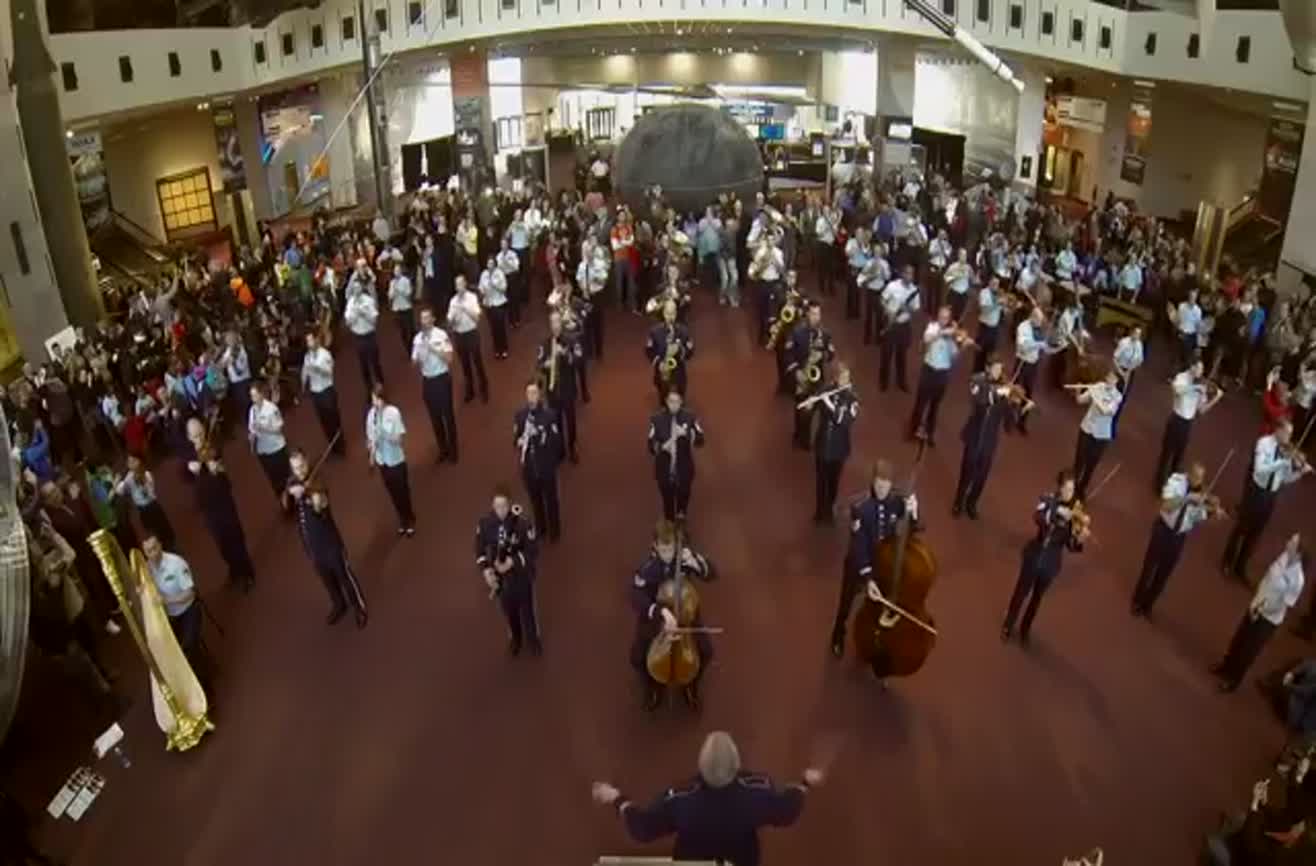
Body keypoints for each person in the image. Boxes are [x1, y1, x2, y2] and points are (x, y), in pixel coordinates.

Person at [591, 731, 821, 866]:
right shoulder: (757, 792)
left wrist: (617, 798)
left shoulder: (680, 799)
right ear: (737, 765)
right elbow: (787, 811)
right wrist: (804, 783)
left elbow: (642, 829)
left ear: (701, 766)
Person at [629, 519, 716, 710]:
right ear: (655, 546)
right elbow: (636, 595)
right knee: (636, 657)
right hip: (658, 619)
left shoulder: (685, 559)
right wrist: (660, 612)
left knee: (706, 652)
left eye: (671, 549)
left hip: (686, 615)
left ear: (677, 544)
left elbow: (711, 574)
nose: (668, 556)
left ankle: (690, 684)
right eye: (664, 550)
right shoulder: (648, 568)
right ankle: (653, 687)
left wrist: (696, 562)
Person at [830, 460, 913, 657]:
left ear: (891, 485)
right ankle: (838, 634)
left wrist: (914, 509)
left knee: (877, 607)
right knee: (846, 603)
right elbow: (859, 545)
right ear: (873, 482)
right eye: (878, 484)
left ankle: (871, 641)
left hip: (882, 566)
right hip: (858, 565)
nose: (881, 489)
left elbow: (917, 526)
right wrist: (867, 579)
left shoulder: (896, 503)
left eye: (885, 485)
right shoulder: (861, 508)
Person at [1000, 470, 1089, 645]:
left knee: (1037, 598)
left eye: (1072, 490)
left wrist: (1080, 539)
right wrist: (1057, 514)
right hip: (1035, 556)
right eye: (1067, 489)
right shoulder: (1048, 500)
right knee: (1020, 593)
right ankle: (1008, 624)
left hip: (1051, 564)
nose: (1070, 494)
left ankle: (1025, 628)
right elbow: (1038, 517)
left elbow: (1071, 546)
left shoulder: (1075, 513)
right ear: (1060, 488)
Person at [1213, 534, 1306, 692]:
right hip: (1256, 604)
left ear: (1298, 553)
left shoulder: (1298, 579)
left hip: (1268, 619)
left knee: (1249, 650)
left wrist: (1262, 610)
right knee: (1239, 639)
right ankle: (1226, 666)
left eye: (1292, 542)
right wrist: (1256, 601)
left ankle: (1233, 680)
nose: (1288, 542)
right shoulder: (1283, 557)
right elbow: (1267, 578)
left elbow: (1284, 605)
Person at [1222, 421, 1311, 582]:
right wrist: (1283, 462)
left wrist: (1299, 473)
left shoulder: (1286, 453)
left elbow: (1284, 478)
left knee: (1255, 533)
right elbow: (1260, 469)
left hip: (1271, 496)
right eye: (1287, 433)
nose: (1289, 438)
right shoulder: (1263, 444)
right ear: (1278, 430)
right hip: (1256, 492)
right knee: (1241, 528)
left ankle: (1240, 566)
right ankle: (1227, 561)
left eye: (1290, 435)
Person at [1131, 462, 1218, 618]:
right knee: (1149, 568)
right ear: (1188, 474)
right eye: (1196, 477)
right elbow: (1166, 506)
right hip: (1163, 530)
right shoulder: (1176, 481)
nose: (1198, 482)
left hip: (1179, 537)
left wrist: (1212, 511)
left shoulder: (1201, 495)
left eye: (1201, 479)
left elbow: (1198, 518)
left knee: (1164, 574)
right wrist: (1187, 498)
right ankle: (1137, 601)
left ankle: (1148, 605)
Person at [287, 466, 368, 629]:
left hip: (331, 546)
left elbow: (321, 506)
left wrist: (314, 499)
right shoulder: (293, 484)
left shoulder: (318, 485)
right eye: (295, 467)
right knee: (327, 580)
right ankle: (339, 604)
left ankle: (359, 608)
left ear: (307, 464)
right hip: (313, 547)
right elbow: (286, 500)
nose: (299, 470)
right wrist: (292, 492)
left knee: (345, 578)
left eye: (301, 466)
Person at [475, 487, 541, 656]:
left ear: (509, 504)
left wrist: (512, 561)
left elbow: (532, 551)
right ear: (492, 505)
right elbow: (480, 550)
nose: (501, 510)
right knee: (509, 612)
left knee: (527, 611)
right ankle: (516, 639)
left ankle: (532, 639)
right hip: (502, 581)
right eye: (497, 506)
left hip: (521, 576)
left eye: (504, 506)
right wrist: (486, 571)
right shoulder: (485, 524)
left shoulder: (522, 523)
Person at [953, 357, 1018, 519]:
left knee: (982, 476)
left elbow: (1009, 426)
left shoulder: (1004, 390)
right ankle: (958, 501)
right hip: (974, 436)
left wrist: (1014, 405)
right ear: (988, 368)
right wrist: (997, 393)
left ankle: (972, 503)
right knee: (966, 472)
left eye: (1000, 370)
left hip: (989, 441)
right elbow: (979, 401)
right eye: (995, 369)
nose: (998, 373)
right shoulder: (977, 381)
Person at [142, 535, 210, 685]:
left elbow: (190, 593)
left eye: (154, 548)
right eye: (148, 551)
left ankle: (205, 686)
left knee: (188, 647)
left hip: (189, 610)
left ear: (160, 545)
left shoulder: (176, 563)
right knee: (167, 651)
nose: (152, 554)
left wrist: (166, 600)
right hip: (171, 616)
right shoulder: (147, 569)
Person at [189, 446, 256, 592]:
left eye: (207, 456)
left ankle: (248, 574)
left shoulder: (218, 470)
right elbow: (198, 500)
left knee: (237, 544)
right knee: (223, 547)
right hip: (212, 518)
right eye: (202, 456)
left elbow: (227, 486)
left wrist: (217, 472)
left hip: (227, 514)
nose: (205, 458)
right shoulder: (199, 474)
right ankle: (234, 569)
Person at [1152, 359, 1221, 492]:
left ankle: (1173, 486)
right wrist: (1194, 387)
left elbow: (1201, 409)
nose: (1201, 373)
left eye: (1202, 370)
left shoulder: (1201, 386)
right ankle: (1158, 484)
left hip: (1187, 423)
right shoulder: (1181, 378)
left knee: (1179, 456)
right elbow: (1177, 391)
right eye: (1199, 369)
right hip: (1176, 419)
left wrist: (1215, 399)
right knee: (1166, 454)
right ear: (1192, 367)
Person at [907, 304, 963, 445]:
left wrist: (959, 343)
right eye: (941, 317)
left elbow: (954, 357)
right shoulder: (932, 327)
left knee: (935, 406)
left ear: (949, 319)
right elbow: (926, 339)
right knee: (920, 403)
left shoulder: (952, 337)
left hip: (942, 374)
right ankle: (913, 430)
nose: (942, 320)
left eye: (945, 318)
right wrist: (943, 333)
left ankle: (930, 433)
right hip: (928, 370)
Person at [514, 380, 563, 542]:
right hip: (529, 467)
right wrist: (520, 441)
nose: (531, 397)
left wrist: (542, 437)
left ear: (540, 395)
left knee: (551, 499)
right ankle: (541, 527)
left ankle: (554, 530)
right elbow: (515, 439)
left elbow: (557, 442)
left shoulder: (550, 415)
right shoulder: (520, 416)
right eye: (528, 393)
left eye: (534, 393)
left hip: (546, 465)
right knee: (535, 500)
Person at [648, 389, 705, 525]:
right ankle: (669, 523)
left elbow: (700, 440)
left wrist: (687, 434)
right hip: (664, 471)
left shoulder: (691, 418)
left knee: (682, 500)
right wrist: (662, 447)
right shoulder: (656, 420)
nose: (674, 405)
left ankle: (681, 519)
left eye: (677, 402)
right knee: (668, 503)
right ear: (666, 402)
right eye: (671, 401)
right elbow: (650, 445)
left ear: (681, 402)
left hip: (684, 470)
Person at [365, 385, 416, 537]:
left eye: (377, 400)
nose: (375, 404)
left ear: (384, 399)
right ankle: (402, 518)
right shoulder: (370, 415)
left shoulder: (393, 413)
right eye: (373, 400)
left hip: (396, 460)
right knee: (393, 492)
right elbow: (369, 438)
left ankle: (410, 518)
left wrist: (384, 434)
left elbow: (399, 440)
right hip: (383, 461)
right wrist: (370, 447)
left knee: (403, 491)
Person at [410, 306, 459, 464]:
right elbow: (413, 362)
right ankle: (443, 449)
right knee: (434, 417)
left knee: (448, 416)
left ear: (433, 319)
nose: (424, 322)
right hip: (428, 381)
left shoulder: (441, 335)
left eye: (426, 318)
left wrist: (433, 349)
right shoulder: (417, 339)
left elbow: (449, 358)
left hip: (442, 378)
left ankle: (454, 450)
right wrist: (419, 354)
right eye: (422, 319)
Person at [784, 302, 836, 450]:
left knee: (814, 409)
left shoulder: (824, 334)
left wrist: (825, 355)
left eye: (818, 314)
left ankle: (806, 438)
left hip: (817, 378)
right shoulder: (796, 332)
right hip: (801, 376)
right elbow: (788, 355)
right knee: (800, 408)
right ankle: (799, 434)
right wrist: (796, 372)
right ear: (807, 314)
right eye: (813, 314)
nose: (816, 317)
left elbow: (831, 354)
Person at [812, 362, 858, 525]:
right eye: (843, 378)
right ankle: (819, 510)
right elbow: (813, 408)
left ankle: (830, 508)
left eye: (847, 378)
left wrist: (829, 404)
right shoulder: (826, 391)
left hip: (839, 448)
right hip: (822, 444)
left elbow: (844, 421)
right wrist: (811, 403)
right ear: (836, 379)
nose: (846, 381)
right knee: (820, 480)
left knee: (833, 481)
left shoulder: (852, 398)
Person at [537, 311, 584, 464]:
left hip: (568, 388)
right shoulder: (545, 343)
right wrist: (545, 365)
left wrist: (565, 354)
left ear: (561, 324)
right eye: (552, 323)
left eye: (557, 322)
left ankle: (572, 447)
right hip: (552, 390)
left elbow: (578, 360)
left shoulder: (572, 341)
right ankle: (560, 449)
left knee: (570, 421)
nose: (555, 326)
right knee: (555, 421)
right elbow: (539, 364)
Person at [1071, 366, 1122, 500]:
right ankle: (1071, 486)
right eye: (1108, 376)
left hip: (1101, 435)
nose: (1109, 379)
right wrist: (1078, 391)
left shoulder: (1117, 397)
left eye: (1112, 377)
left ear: (1117, 381)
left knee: (1091, 464)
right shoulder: (1098, 387)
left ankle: (1082, 489)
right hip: (1087, 428)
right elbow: (1080, 401)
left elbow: (1106, 411)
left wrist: (1096, 395)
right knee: (1079, 460)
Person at [114, 453, 176, 549]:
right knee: (152, 531)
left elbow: (150, 493)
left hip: (152, 506)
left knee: (164, 529)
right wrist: (117, 482)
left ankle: (171, 545)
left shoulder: (146, 474)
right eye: (129, 462)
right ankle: (161, 547)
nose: (131, 464)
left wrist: (141, 482)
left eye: (133, 461)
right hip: (142, 509)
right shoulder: (128, 478)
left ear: (140, 462)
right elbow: (120, 491)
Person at [247, 381, 291, 510]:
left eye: (255, 395)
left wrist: (264, 428)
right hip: (263, 451)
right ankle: (283, 503)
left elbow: (279, 429)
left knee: (285, 476)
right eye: (251, 396)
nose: (253, 399)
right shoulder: (252, 410)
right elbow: (251, 428)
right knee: (273, 479)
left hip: (276, 448)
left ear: (261, 394)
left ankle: (292, 500)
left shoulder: (271, 408)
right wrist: (252, 436)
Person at [301, 331, 345, 456]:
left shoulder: (325, 355)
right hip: (315, 393)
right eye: (307, 341)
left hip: (327, 391)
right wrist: (303, 384)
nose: (309, 344)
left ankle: (341, 447)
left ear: (316, 340)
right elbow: (305, 371)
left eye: (311, 340)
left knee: (334, 420)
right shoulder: (307, 357)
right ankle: (332, 446)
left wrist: (317, 369)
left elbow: (328, 373)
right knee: (324, 421)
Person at [448, 274, 490, 403]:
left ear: (465, 284)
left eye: (460, 284)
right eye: (456, 285)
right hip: (459, 336)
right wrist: (454, 316)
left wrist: (465, 309)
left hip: (471, 333)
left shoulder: (472, 298)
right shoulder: (453, 301)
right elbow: (450, 323)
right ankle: (469, 390)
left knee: (478, 363)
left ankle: (484, 388)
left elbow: (477, 318)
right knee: (465, 365)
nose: (458, 287)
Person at [879, 264, 920, 392]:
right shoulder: (892, 286)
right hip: (891, 324)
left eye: (911, 274)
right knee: (887, 355)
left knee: (901, 356)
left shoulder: (914, 291)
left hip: (904, 326)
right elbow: (882, 299)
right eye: (907, 273)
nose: (909, 276)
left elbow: (916, 309)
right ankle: (883, 382)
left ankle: (901, 382)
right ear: (902, 274)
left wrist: (907, 308)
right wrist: (888, 311)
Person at [646, 300, 694, 405]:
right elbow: (649, 351)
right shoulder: (654, 331)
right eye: (668, 313)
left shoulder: (683, 331)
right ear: (663, 313)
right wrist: (659, 363)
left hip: (679, 371)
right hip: (662, 370)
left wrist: (680, 349)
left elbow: (691, 351)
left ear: (676, 314)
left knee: (680, 403)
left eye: (672, 313)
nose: (670, 317)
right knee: (663, 401)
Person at [344, 283, 384, 390]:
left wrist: (364, 313)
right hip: (358, 338)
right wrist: (355, 315)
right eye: (354, 288)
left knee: (375, 362)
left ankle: (380, 384)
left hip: (370, 335)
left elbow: (374, 321)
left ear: (361, 288)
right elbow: (348, 323)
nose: (356, 290)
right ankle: (369, 388)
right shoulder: (350, 303)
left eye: (358, 288)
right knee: (363, 365)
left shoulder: (368, 300)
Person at [477, 258, 511, 360]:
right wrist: (482, 293)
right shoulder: (484, 274)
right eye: (488, 263)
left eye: (491, 263)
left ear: (495, 265)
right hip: (489, 304)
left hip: (499, 303)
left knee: (500, 327)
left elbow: (504, 288)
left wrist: (495, 285)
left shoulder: (499, 273)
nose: (489, 265)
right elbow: (480, 288)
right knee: (493, 328)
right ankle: (497, 349)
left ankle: (504, 349)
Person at [388, 260, 416, 352]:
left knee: (411, 329)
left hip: (407, 307)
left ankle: (414, 345)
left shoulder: (406, 281)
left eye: (398, 270)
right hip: (398, 309)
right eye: (395, 271)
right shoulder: (392, 283)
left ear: (401, 271)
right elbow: (390, 296)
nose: (396, 273)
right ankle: (408, 349)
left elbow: (408, 294)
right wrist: (393, 292)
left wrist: (399, 290)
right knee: (403, 331)